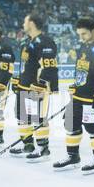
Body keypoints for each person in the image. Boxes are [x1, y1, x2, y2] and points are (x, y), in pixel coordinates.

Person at [55, 17, 94, 174]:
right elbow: (81, 71)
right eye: (79, 34)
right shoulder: (84, 46)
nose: (80, 37)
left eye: (84, 34)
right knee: (70, 125)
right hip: (78, 95)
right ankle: (72, 156)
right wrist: (75, 86)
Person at [10, 13, 59, 162]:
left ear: (31, 23)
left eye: (25, 21)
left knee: (38, 117)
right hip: (24, 85)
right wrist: (17, 79)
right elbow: (26, 65)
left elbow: (50, 66)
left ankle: (43, 150)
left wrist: (41, 83)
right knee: (21, 115)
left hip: (36, 87)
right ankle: (28, 145)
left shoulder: (46, 42)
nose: (23, 24)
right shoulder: (27, 42)